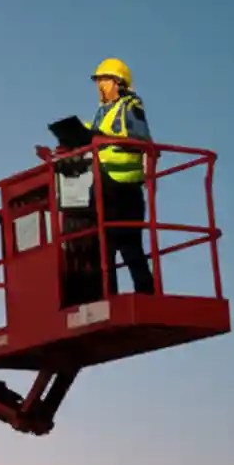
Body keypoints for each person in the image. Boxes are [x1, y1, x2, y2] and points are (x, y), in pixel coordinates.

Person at [85, 58, 156, 295]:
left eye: (103, 80)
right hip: (104, 183)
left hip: (123, 186)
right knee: (106, 246)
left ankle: (146, 296)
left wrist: (100, 136)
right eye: (98, 81)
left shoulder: (131, 106)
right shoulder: (102, 112)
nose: (99, 86)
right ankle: (108, 296)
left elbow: (141, 141)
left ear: (118, 82)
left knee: (128, 247)